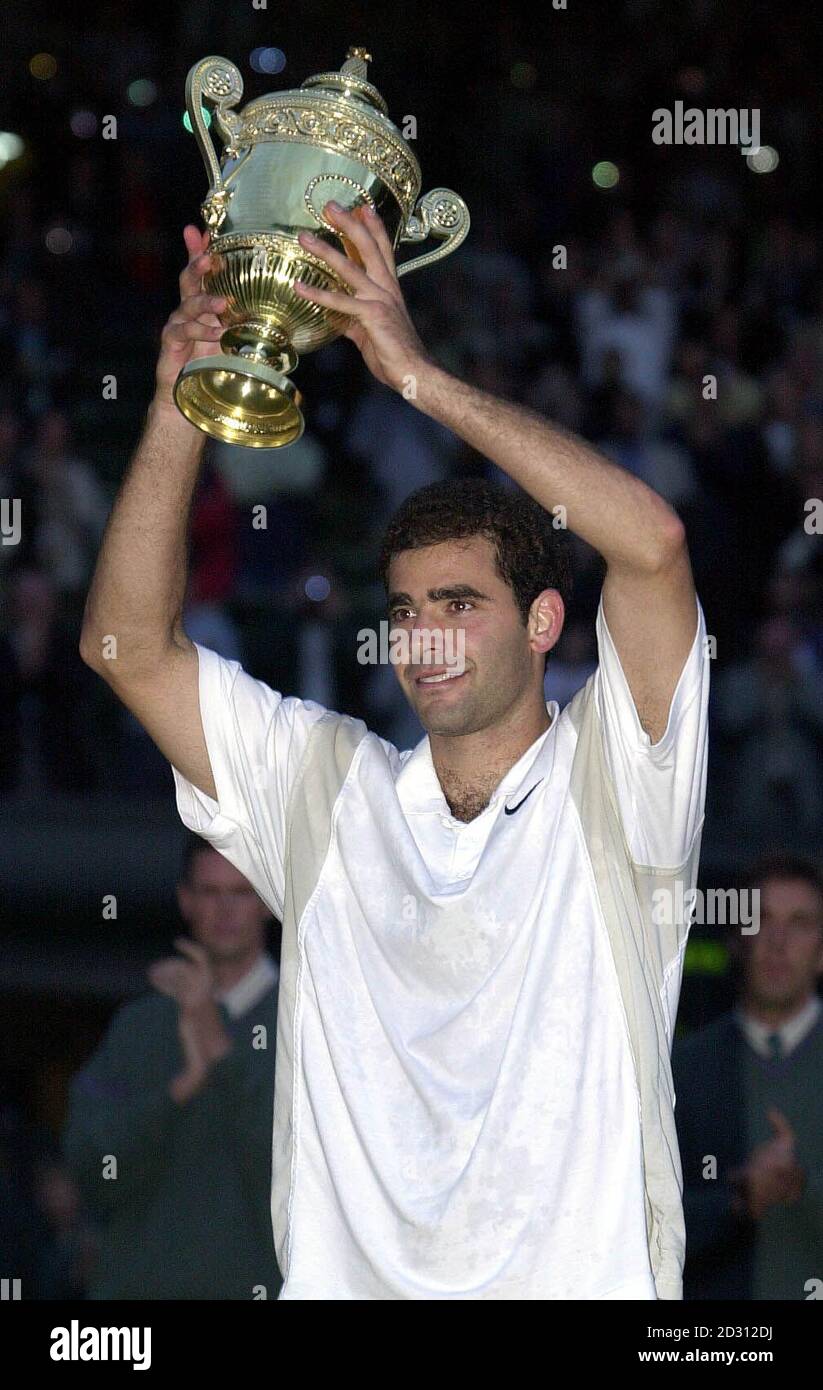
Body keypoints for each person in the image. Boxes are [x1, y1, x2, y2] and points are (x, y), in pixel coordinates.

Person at [79, 202, 709, 1300]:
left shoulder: (620, 783)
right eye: (408, 603)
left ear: (544, 623)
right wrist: (187, 388)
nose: (422, 632)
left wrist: (414, 374)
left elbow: (651, 544)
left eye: (459, 602)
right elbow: (126, 648)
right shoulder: (324, 788)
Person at [62, 835, 281, 1299]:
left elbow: (302, 1177)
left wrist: (219, 1047)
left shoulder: (309, 1019)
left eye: (241, 892)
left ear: (267, 902)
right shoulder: (140, 1026)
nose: (225, 910)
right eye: (209, 892)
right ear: (186, 901)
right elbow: (92, 1169)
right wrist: (179, 1090)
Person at [672, 854, 823, 1300]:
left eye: (799, 922)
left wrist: (800, 1186)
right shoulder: (682, 1070)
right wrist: (737, 1198)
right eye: (760, 918)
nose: (778, 940)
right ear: (737, 939)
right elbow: (638, 1221)